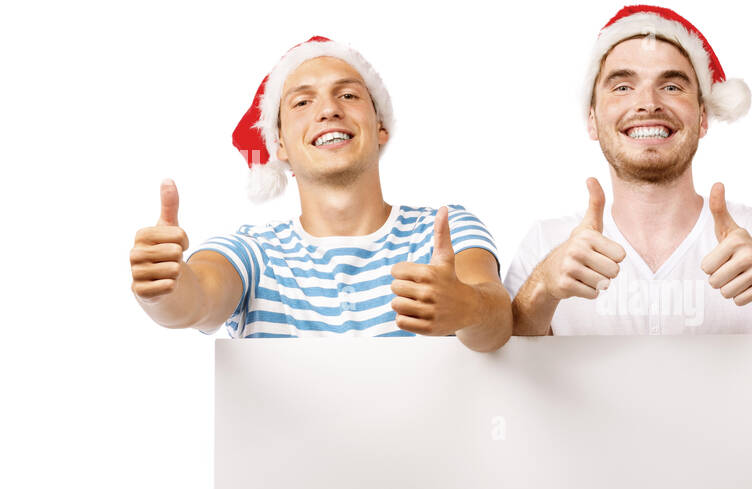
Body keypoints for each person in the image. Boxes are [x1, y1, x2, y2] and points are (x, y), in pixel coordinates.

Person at [129, 37, 511, 349]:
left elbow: (498, 322)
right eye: (302, 102)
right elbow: (194, 302)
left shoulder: (444, 230)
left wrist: (469, 307)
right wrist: (164, 288)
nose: (328, 110)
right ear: (279, 145)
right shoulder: (253, 253)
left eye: (348, 96)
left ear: (380, 127)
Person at [506, 5, 752, 335]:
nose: (648, 103)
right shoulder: (544, 244)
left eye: (671, 87)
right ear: (592, 120)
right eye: (622, 87)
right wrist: (542, 286)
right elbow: (503, 378)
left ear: (703, 118)